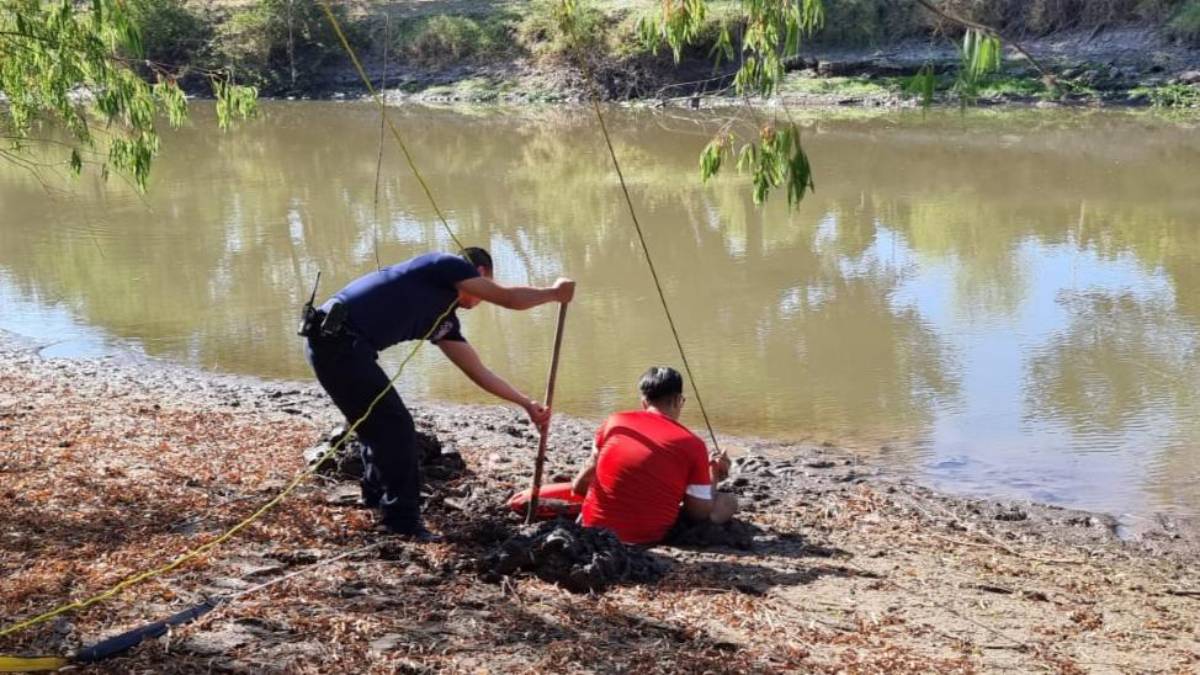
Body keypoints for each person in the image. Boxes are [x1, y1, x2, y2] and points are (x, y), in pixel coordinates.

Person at [305, 248, 574, 539]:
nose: (484, 297)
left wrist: (525, 404)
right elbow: (509, 298)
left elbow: (478, 372)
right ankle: (401, 523)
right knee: (396, 428)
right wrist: (554, 293)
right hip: (337, 341)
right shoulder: (445, 265)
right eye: (486, 287)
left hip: (338, 347)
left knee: (379, 425)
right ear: (480, 273)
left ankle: (376, 501)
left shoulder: (444, 322)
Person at [571, 366, 737, 545]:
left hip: (591, 526)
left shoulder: (614, 422)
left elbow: (579, 485)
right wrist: (713, 472)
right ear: (678, 401)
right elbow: (699, 513)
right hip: (645, 538)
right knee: (729, 501)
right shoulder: (693, 444)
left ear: (644, 402)